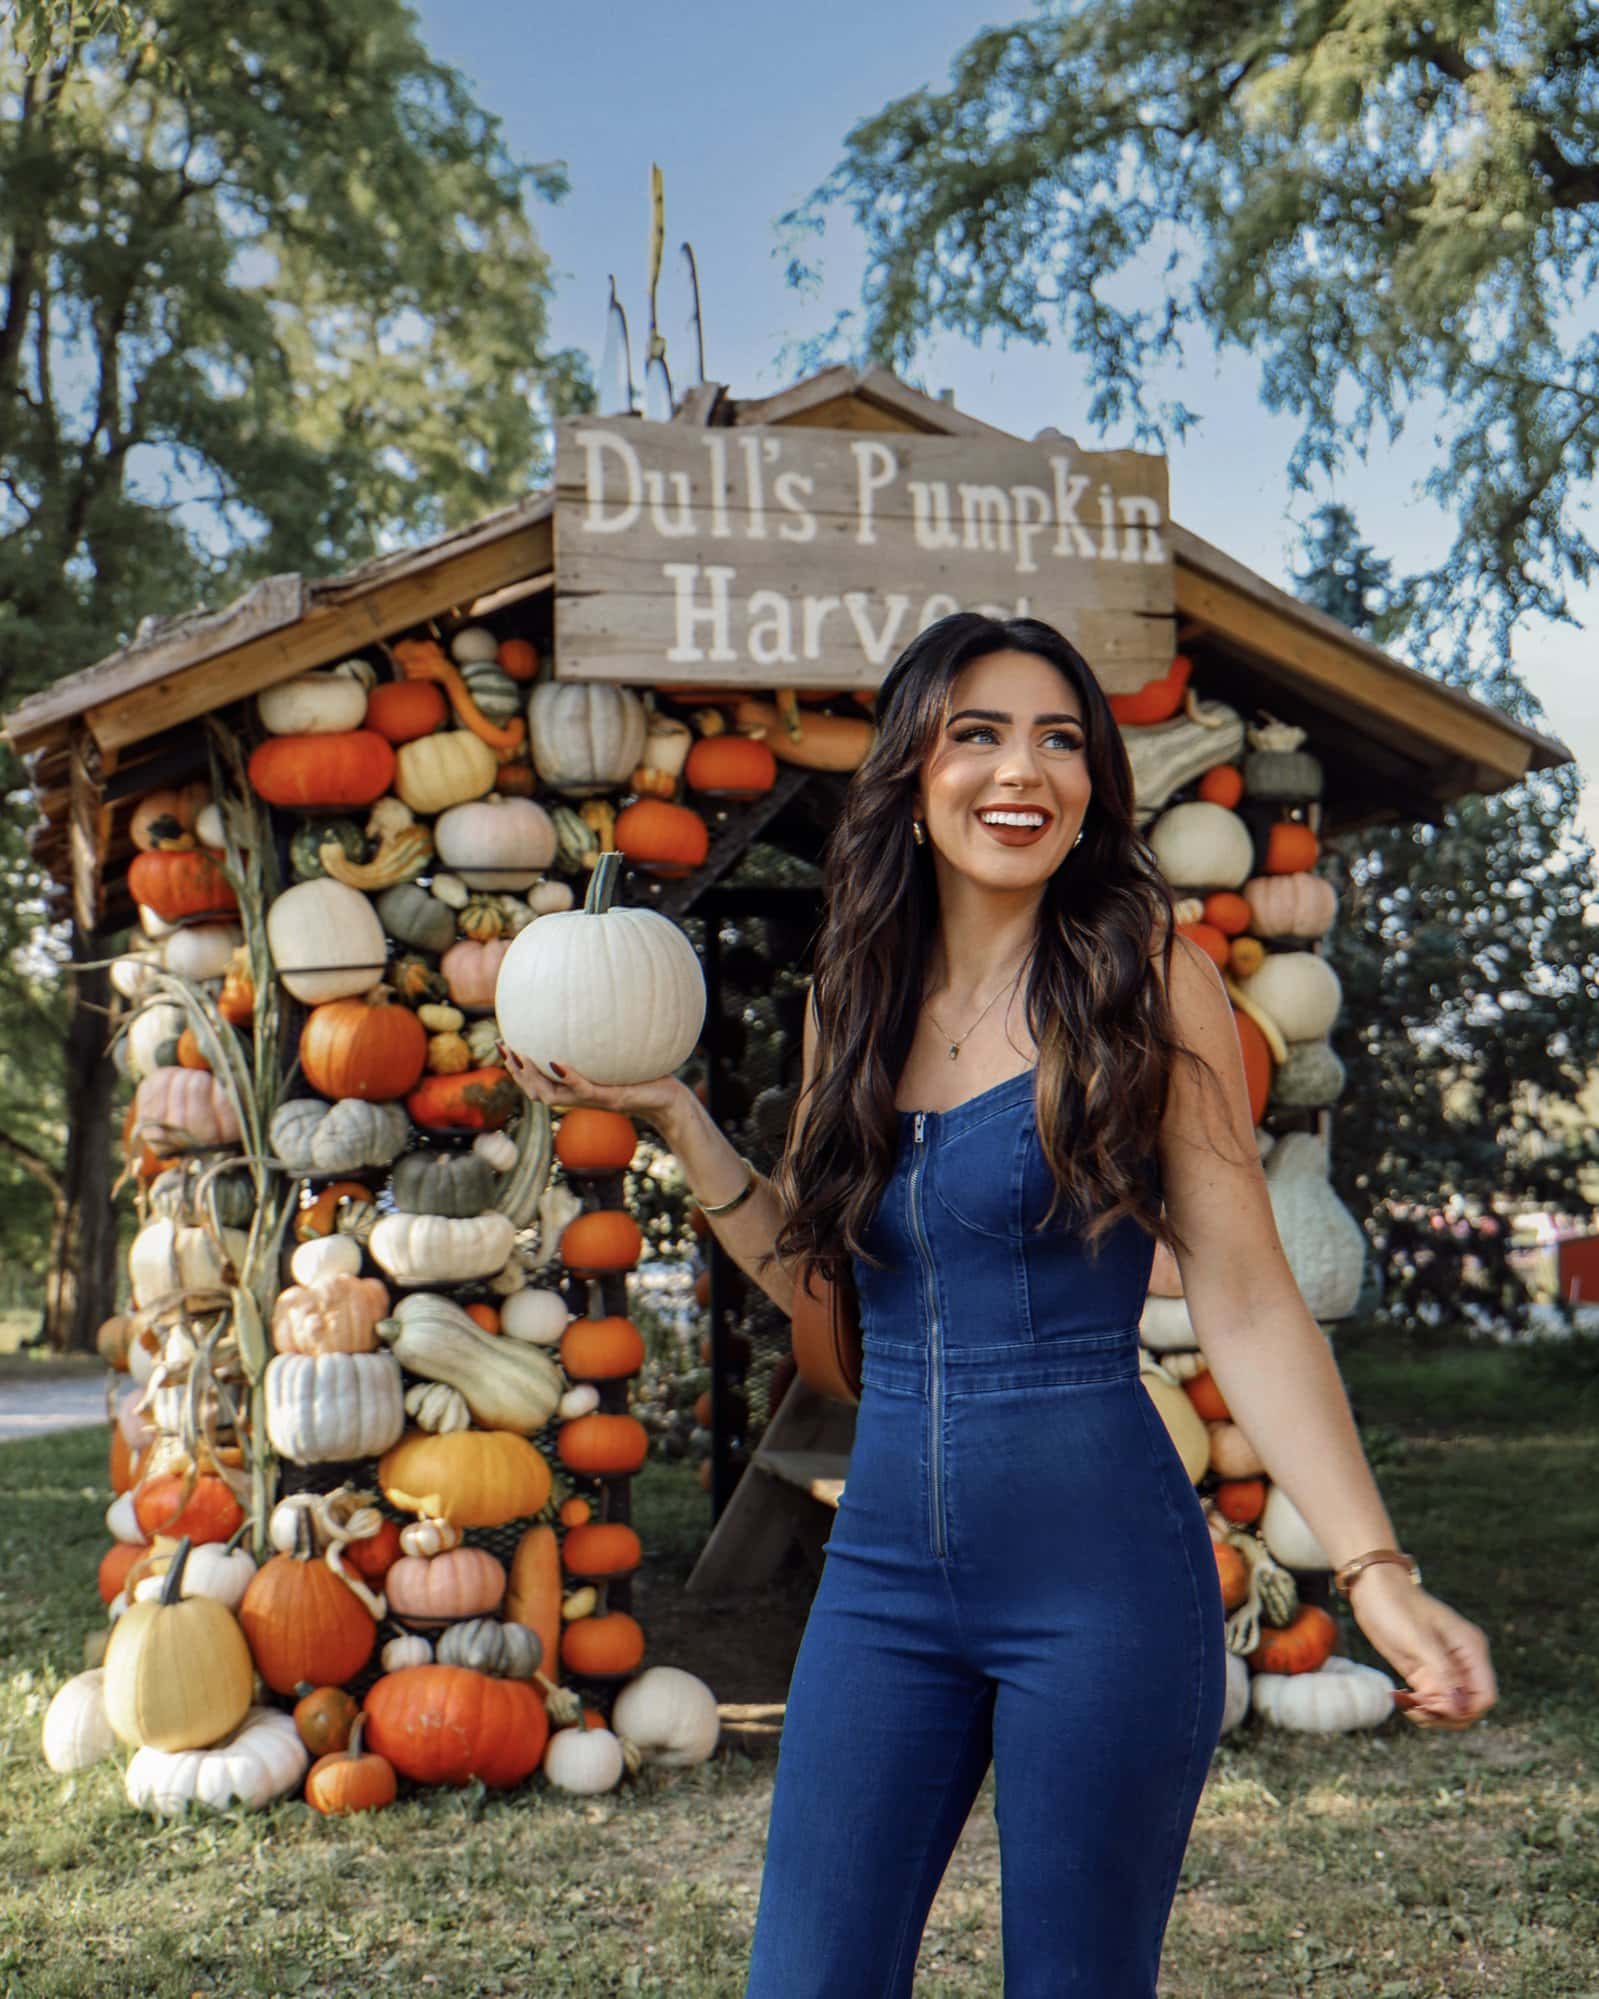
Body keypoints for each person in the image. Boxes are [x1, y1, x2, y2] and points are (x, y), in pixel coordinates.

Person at [503, 612, 1498, 1997]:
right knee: (807, 1978)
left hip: (1102, 1581)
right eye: (977, 734)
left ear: (1092, 786)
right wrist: (679, 1119)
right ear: (912, 775)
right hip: (885, 1580)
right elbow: (816, 1280)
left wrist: (1375, 1572)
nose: (1020, 769)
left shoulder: (1144, 978)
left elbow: (1252, 1298)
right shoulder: (850, 995)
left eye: (1058, 738)